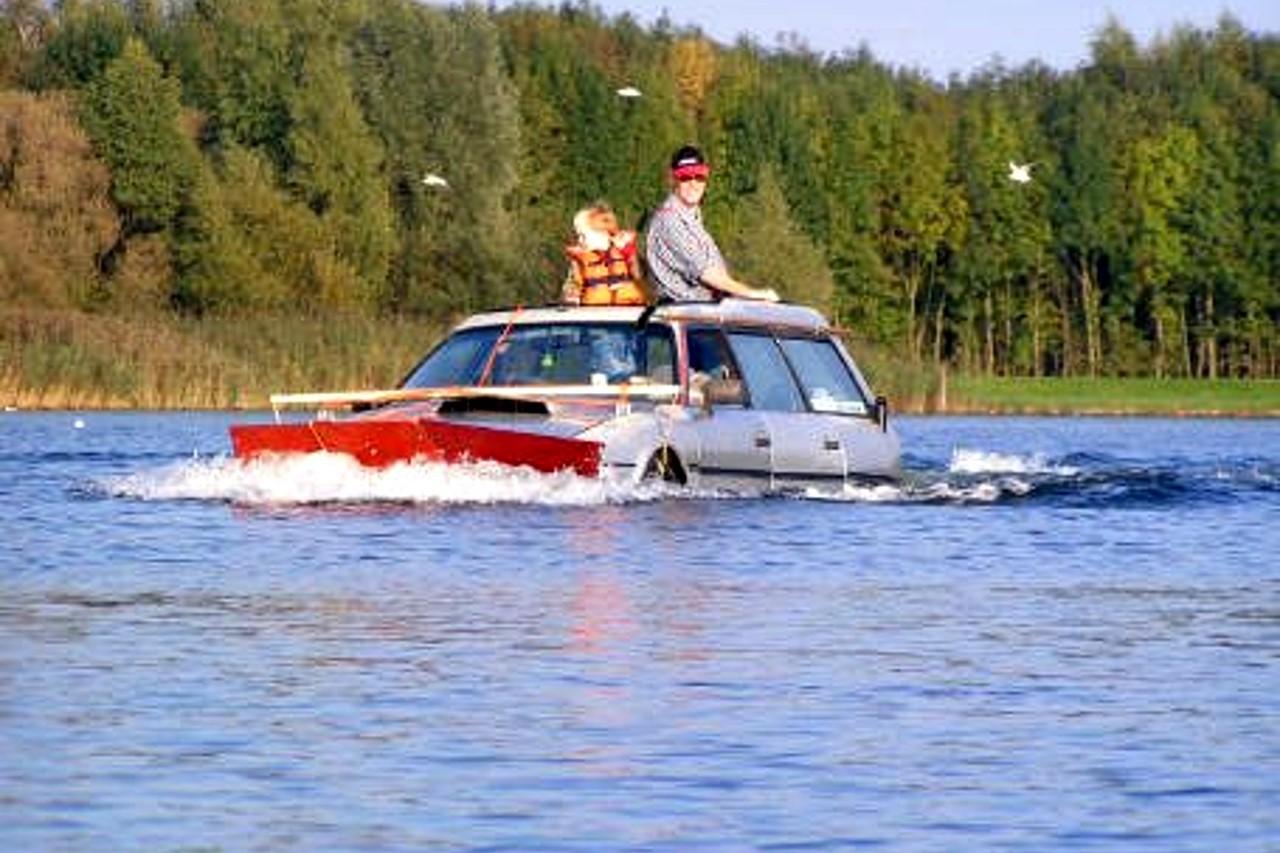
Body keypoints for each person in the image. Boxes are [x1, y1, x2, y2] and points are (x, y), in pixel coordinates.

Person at [645, 145, 779, 303]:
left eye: (699, 176)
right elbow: (706, 273)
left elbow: (718, 273)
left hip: (705, 310)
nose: (693, 183)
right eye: (685, 177)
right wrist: (751, 294)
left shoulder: (692, 219)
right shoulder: (669, 222)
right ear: (673, 180)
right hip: (683, 310)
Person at [562, 203, 646, 306]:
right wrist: (571, 294)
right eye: (578, 235)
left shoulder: (626, 250)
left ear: (602, 232)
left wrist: (631, 255)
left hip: (630, 310)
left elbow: (640, 277)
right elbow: (573, 284)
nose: (580, 240)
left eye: (583, 235)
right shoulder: (581, 259)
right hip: (595, 312)